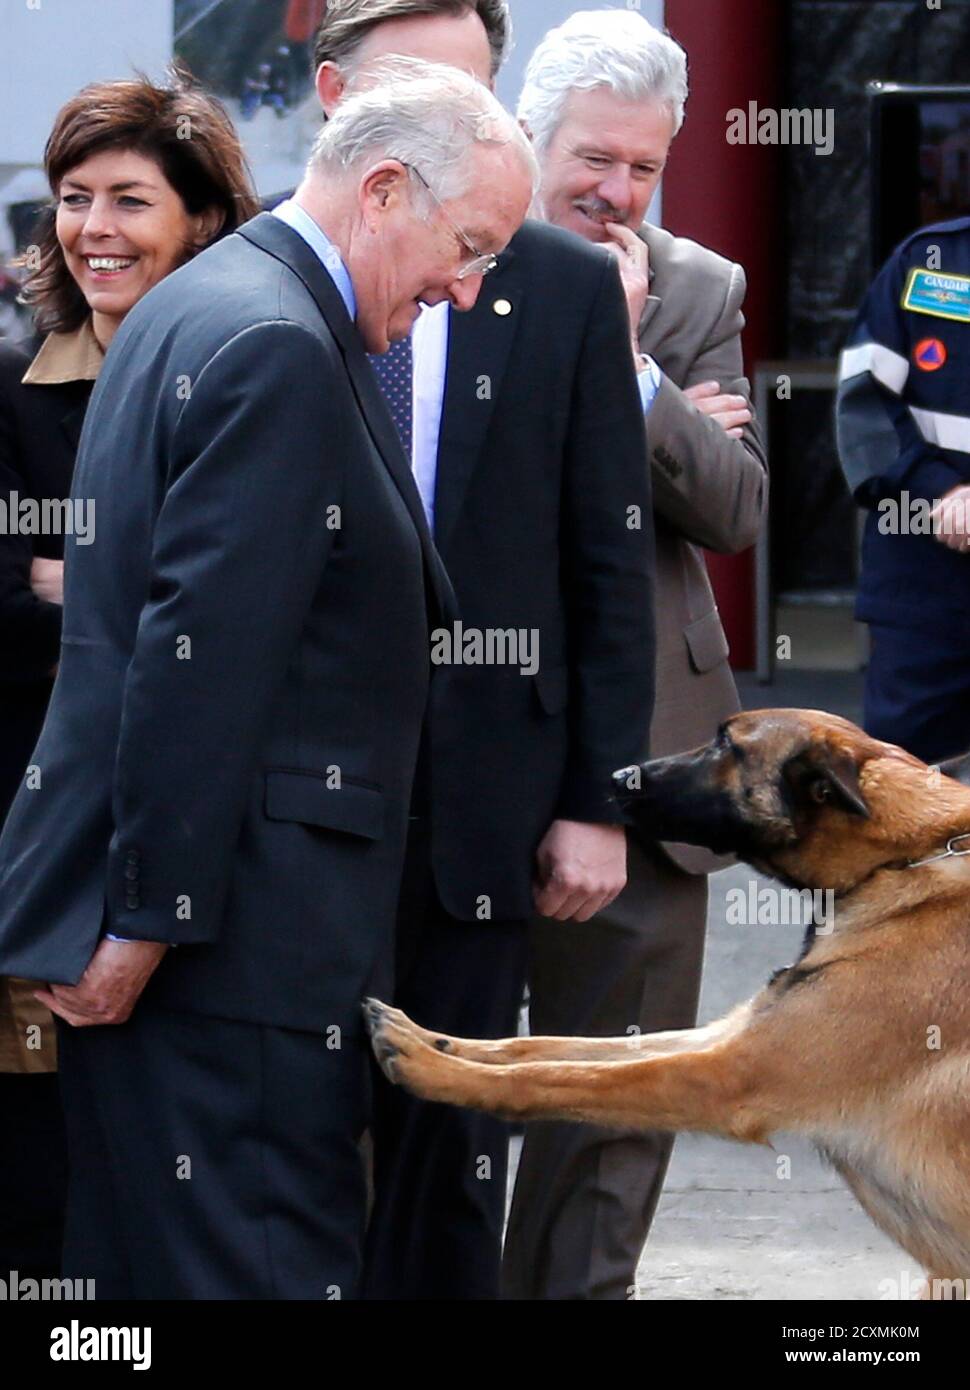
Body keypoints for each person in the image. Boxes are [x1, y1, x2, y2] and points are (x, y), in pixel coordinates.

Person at [0, 59, 535, 1300]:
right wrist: (146, 919)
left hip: (217, 950)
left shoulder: (216, 306)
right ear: (386, 190)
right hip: (233, 953)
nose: (467, 284)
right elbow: (197, 664)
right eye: (467, 246)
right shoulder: (272, 342)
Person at [305, 0, 656, 1301]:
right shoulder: (274, 276)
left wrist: (594, 800)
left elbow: (604, 554)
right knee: (299, 1130)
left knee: (452, 1145)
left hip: (488, 808)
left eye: (481, 90)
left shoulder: (556, 283)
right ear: (342, 95)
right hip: (306, 796)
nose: (465, 123)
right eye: (423, 89)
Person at [502, 9, 768, 1301]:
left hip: (650, 751)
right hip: (456, 723)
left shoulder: (695, 289)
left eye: (642, 168)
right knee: (427, 1075)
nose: (616, 192)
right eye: (592, 159)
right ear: (527, 137)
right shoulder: (453, 253)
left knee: (615, 1095)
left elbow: (733, 507)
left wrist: (627, 371)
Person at [0, 70, 258, 1283]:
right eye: (72, 197)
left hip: (208, 826)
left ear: (201, 217)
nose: (93, 227)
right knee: (33, 1150)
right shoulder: (12, 382)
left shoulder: (261, 361)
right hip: (30, 810)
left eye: (128, 199)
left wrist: (85, 583)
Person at [837, 217, 970, 764]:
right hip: (926, 587)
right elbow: (864, 405)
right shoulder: (929, 261)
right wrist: (939, 491)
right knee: (904, 794)